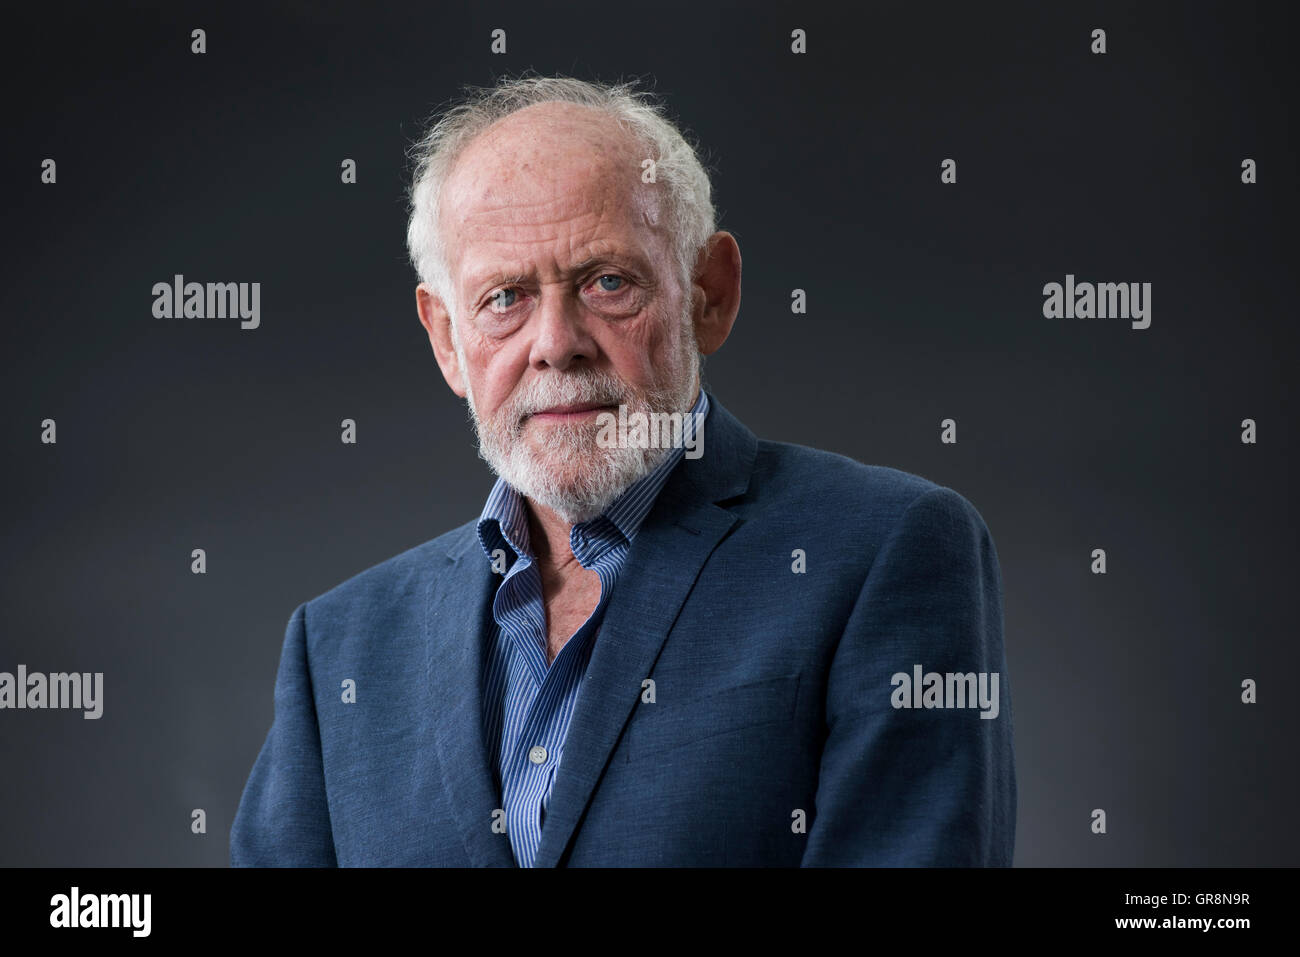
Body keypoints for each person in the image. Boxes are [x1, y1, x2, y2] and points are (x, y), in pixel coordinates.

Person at [230, 73, 1016, 867]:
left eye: (608, 282)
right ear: (444, 337)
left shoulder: (885, 550)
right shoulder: (339, 647)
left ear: (710, 293)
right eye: (504, 296)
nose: (555, 342)